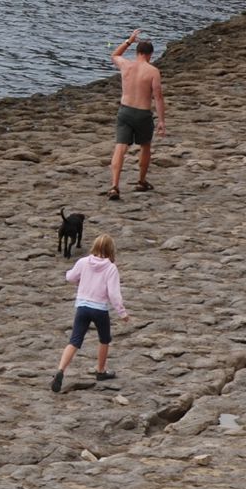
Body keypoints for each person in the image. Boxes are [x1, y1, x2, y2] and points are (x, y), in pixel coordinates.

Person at [53, 234, 127, 393]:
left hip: (82, 307)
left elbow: (70, 277)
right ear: (110, 249)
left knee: (74, 341)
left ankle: (60, 370)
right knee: (104, 339)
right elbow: (114, 294)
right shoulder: (111, 268)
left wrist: (79, 278)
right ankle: (101, 371)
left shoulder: (83, 262)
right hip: (99, 309)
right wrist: (122, 313)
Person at [108, 28, 165, 201]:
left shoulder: (126, 65)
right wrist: (162, 121)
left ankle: (114, 186)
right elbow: (158, 97)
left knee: (120, 147)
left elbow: (114, 55)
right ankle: (141, 181)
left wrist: (129, 40)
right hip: (143, 113)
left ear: (137, 52)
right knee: (145, 146)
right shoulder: (153, 71)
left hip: (125, 111)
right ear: (150, 55)